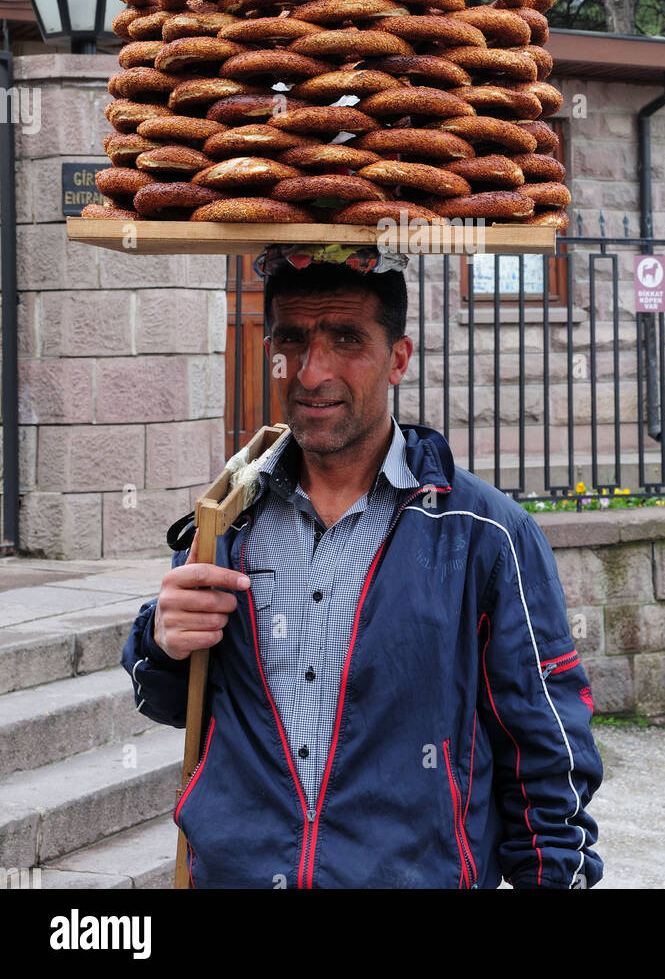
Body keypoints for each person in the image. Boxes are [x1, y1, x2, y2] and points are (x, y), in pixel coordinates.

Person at [122, 244, 604, 889]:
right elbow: (169, 702)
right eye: (291, 340)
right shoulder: (227, 522)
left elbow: (546, 748)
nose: (313, 371)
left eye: (346, 339)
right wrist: (162, 642)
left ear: (397, 359)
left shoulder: (485, 533)